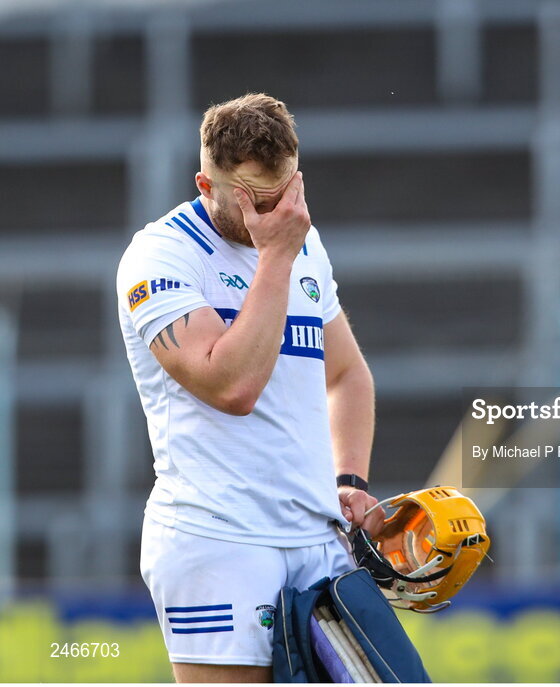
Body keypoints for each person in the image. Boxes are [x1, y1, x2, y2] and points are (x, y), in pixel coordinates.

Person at [116, 93, 380, 683]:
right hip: (218, 538)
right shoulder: (159, 256)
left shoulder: (301, 241)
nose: (279, 213)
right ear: (206, 185)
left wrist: (350, 481)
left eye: (287, 192)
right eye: (257, 201)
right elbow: (231, 387)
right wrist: (277, 259)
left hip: (316, 539)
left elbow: (346, 374)